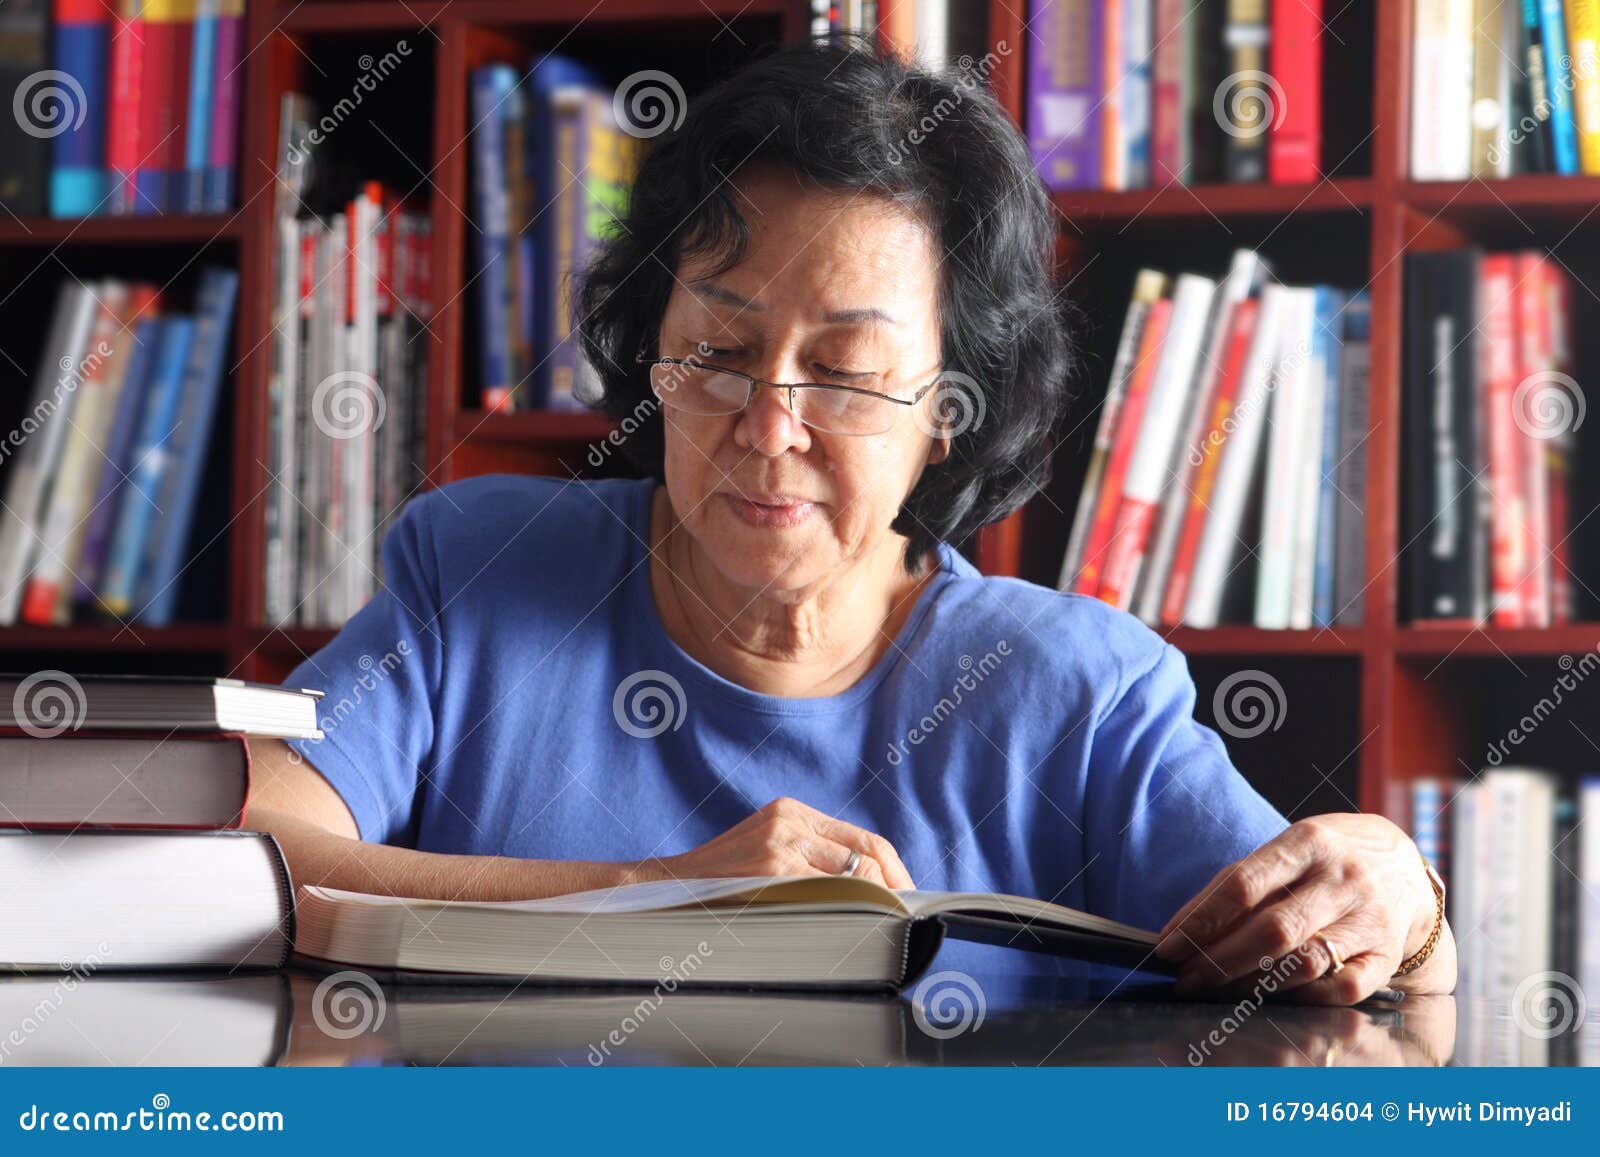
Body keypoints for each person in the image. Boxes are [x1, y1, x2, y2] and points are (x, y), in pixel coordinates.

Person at [249, 39, 1454, 1002]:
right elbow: (251, 838)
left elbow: (1353, 961)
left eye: (844, 372)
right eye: (718, 350)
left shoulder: (1075, 690)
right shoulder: (486, 563)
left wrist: (1407, 904)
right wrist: (661, 893)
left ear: (949, 410)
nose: (767, 426)